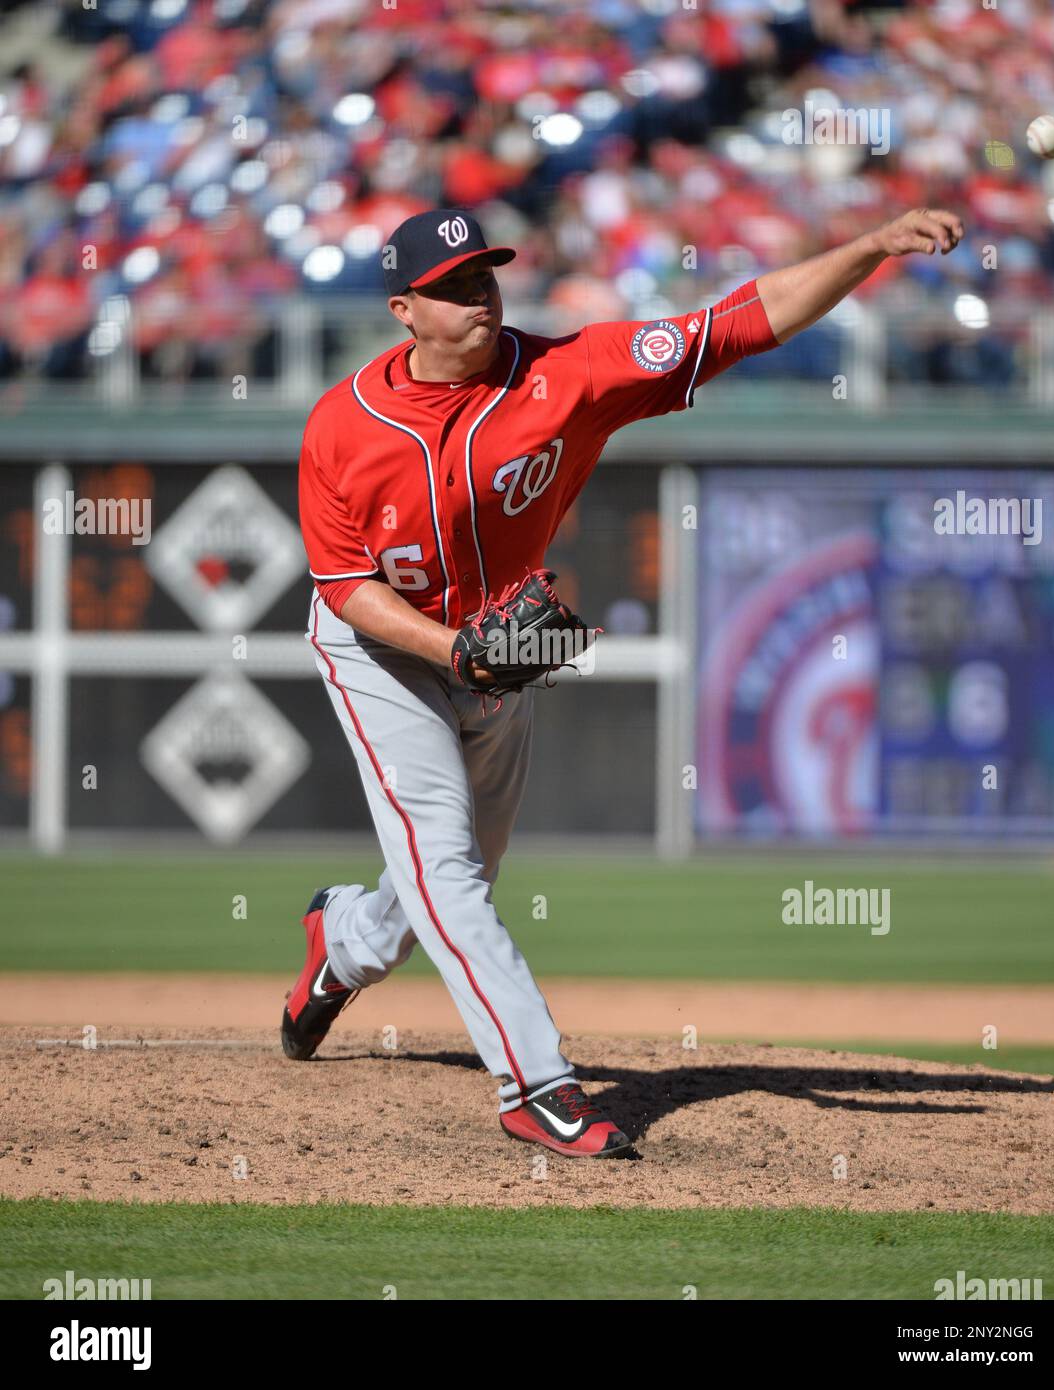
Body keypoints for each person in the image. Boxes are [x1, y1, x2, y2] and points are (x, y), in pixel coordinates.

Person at [284, 204, 963, 1159]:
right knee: (445, 873)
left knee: (445, 883)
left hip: (495, 652)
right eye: (452, 287)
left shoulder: (571, 372)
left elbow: (739, 321)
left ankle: (341, 942)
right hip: (382, 653)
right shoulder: (342, 425)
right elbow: (345, 585)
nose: (479, 296)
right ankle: (535, 1085)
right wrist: (451, 652)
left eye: (485, 275)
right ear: (403, 308)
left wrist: (865, 246)